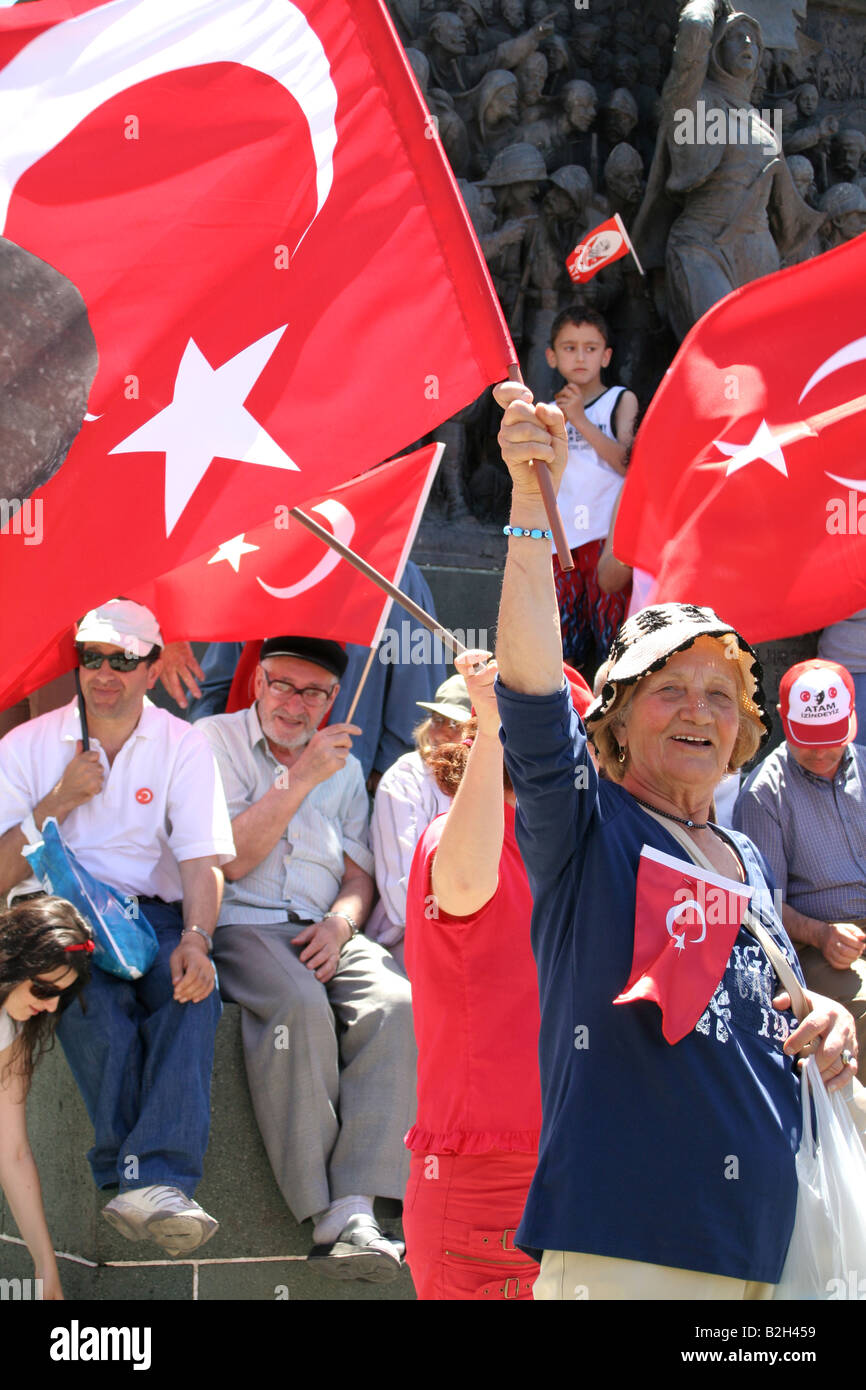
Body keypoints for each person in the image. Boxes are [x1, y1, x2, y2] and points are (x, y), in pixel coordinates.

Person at [491, 380, 858, 1299]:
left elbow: (756, 1015)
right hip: (633, 1251)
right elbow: (532, 683)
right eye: (669, 688)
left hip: (772, 1256)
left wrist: (829, 1020)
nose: (699, 710)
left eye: (720, 695)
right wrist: (530, 498)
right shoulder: (586, 826)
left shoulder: (747, 859)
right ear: (613, 725)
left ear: (744, 734)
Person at [0, 598, 235, 1255]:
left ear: (153, 669)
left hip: (151, 916)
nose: (105, 672)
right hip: (56, 917)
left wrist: (197, 939)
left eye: (123, 659)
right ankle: (140, 1176)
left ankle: (148, 1177)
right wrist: (57, 802)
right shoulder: (31, 744)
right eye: (91, 657)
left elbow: (201, 861)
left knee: (193, 992)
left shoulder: (183, 744)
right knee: (93, 1001)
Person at [199, 636, 415, 1281]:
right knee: (298, 1005)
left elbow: (359, 873)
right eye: (282, 686)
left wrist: (343, 921)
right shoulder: (213, 741)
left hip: (323, 926)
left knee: (397, 1003)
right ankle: (324, 1210)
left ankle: (359, 1198)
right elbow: (229, 858)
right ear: (257, 682)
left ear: (332, 699)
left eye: (313, 692)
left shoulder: (345, 764)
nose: (294, 704)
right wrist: (299, 778)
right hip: (239, 921)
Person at [401, 652, 540, 1300]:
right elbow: (461, 882)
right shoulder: (449, 839)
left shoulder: (576, 849)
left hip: (582, 1177)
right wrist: (493, 727)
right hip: (491, 1195)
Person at [733, 658, 866, 1080]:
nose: (823, 752)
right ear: (785, 726)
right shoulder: (764, 794)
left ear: (853, 721)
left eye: (833, 739)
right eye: (809, 741)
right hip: (818, 945)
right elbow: (764, 911)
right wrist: (821, 934)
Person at [0, 898, 93, 1299]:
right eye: (43, 988)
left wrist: (45, 1267)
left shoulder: (12, 1030)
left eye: (63, 996)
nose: (51, 1005)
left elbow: (13, 1152)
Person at [545, 304, 638, 675]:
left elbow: (627, 463)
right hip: (560, 544)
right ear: (552, 356)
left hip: (606, 541)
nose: (580, 356)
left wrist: (580, 419)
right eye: (569, 348)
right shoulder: (547, 411)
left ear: (606, 355)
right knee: (564, 647)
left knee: (612, 642)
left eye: (590, 347)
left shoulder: (620, 399)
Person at [368, 672, 472, 968]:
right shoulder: (404, 779)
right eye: (437, 719)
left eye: (456, 724)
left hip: (478, 939)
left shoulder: (495, 781)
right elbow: (402, 898)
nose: (442, 732)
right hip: (406, 941)